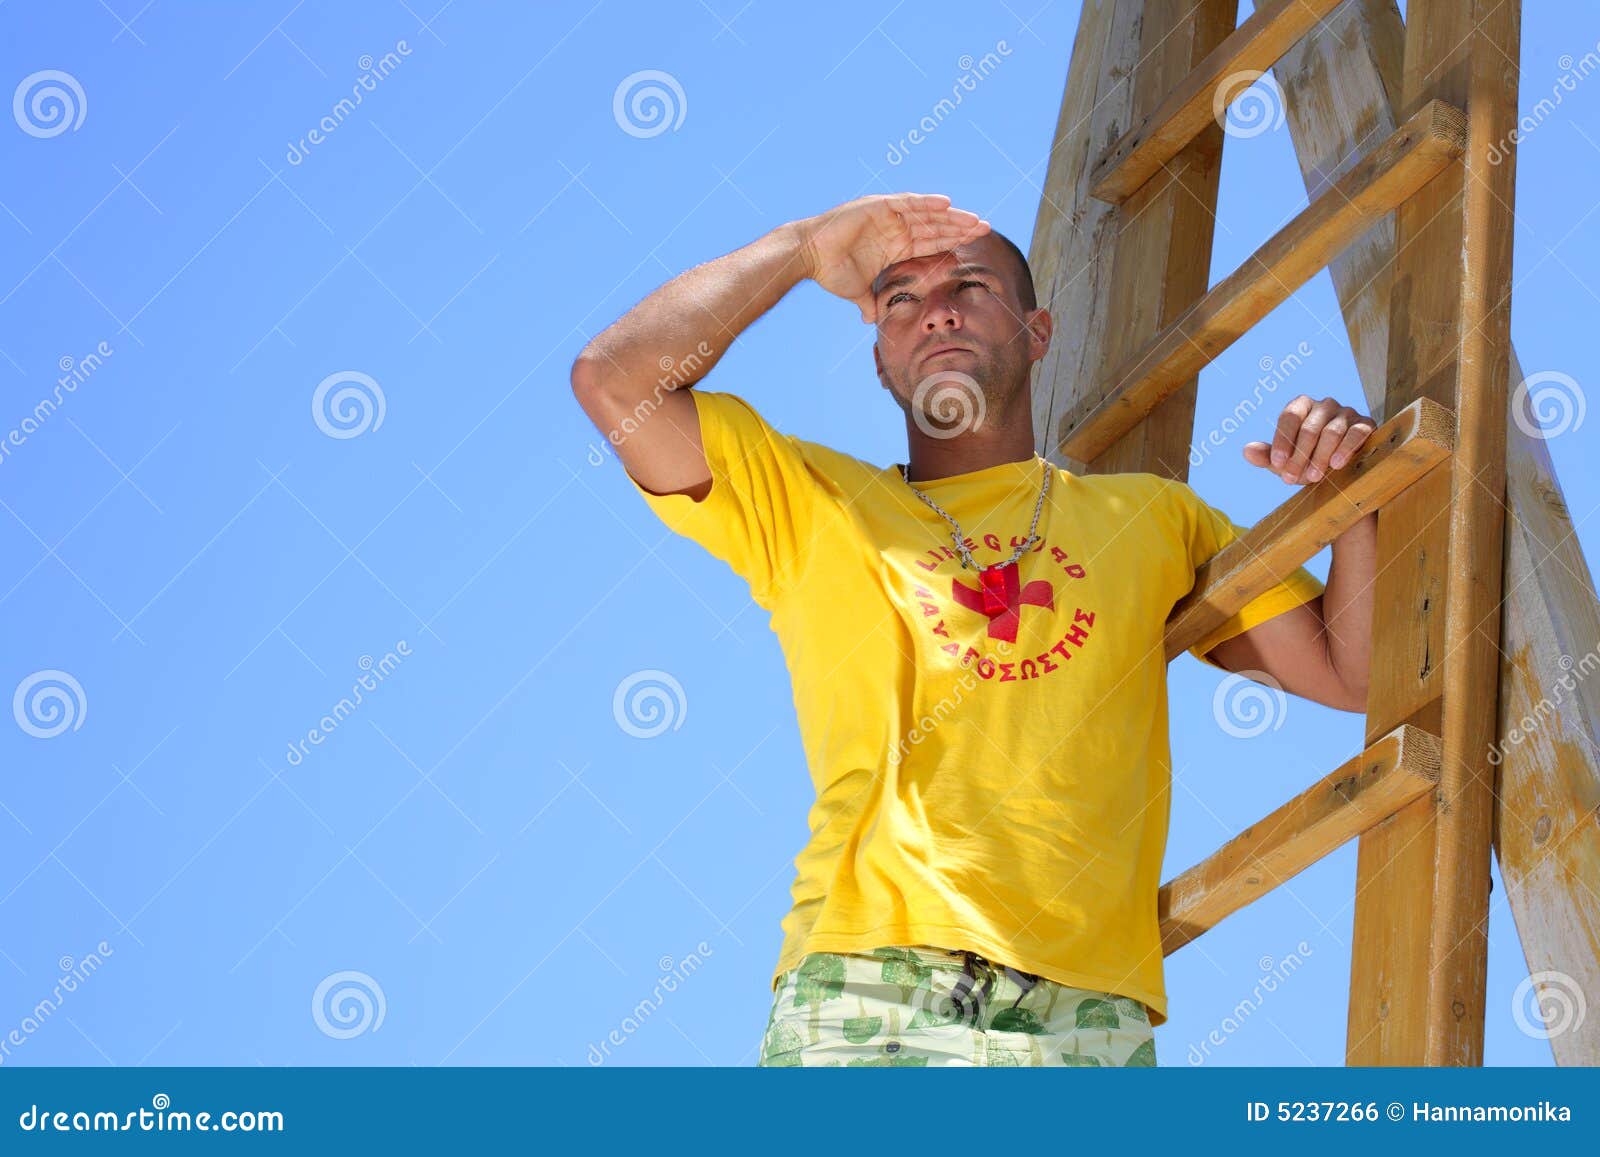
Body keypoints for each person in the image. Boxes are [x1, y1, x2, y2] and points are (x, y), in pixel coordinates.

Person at [571, 192, 1378, 1067]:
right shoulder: (814, 503)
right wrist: (805, 248)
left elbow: (1353, 674)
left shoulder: (1152, 519)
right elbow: (614, 380)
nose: (938, 310)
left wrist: (1347, 495)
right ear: (880, 357)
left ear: (1037, 332)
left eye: (970, 285)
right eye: (899, 300)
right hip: (870, 991)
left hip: (1091, 1014)